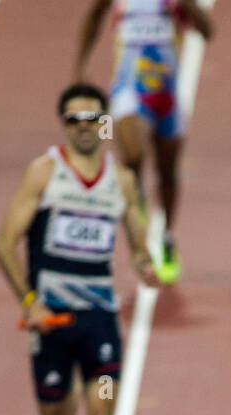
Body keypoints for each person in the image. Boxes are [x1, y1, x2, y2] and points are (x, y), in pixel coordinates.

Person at [0, 83, 157, 415]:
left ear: (105, 124)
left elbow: (138, 243)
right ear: (64, 125)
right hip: (52, 324)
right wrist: (30, 302)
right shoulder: (45, 173)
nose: (84, 126)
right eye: (74, 119)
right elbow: (3, 246)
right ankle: (56, 397)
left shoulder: (123, 182)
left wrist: (147, 262)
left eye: (92, 118)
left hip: (100, 325)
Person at [75, 0, 214, 282]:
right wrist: (80, 66)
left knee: (167, 170)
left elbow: (207, 31)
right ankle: (138, 207)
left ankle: (167, 237)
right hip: (129, 89)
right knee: (133, 155)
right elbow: (93, 17)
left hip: (166, 93)